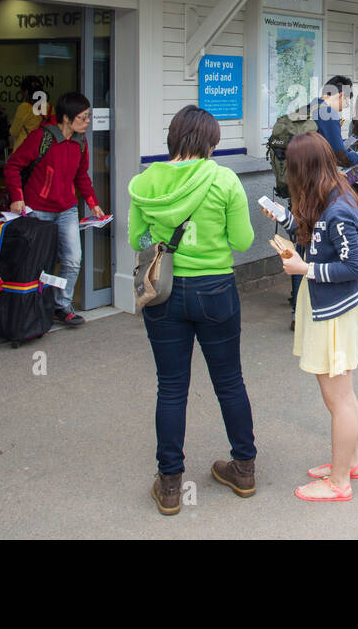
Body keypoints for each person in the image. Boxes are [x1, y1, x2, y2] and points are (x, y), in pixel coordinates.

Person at [128, 105, 257, 516]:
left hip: (164, 293)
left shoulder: (146, 180)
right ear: (210, 141)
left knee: (171, 387)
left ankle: (169, 485)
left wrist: (162, 234)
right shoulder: (223, 179)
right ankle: (243, 468)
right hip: (215, 290)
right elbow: (242, 239)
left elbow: (136, 236)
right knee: (230, 382)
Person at [265, 131, 358, 503]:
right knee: (340, 396)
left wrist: (305, 270)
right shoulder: (330, 197)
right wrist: (288, 220)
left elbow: (353, 266)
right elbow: (318, 240)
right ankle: (348, 461)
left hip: (334, 314)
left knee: (339, 399)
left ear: (302, 169)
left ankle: (340, 482)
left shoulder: (337, 209)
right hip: (331, 309)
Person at [4, 91, 105, 327]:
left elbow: (81, 176)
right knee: (38, 261)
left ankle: (62, 305)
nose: (87, 122)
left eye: (88, 116)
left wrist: (93, 203)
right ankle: (33, 305)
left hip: (67, 209)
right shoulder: (43, 137)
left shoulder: (81, 142)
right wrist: (17, 197)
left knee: (72, 260)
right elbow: (13, 166)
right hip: (37, 209)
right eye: (83, 117)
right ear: (66, 119)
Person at [282, 76, 358, 310]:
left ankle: (296, 300)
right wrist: (357, 157)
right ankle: (303, 304)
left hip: (296, 182)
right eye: (346, 101)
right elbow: (339, 153)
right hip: (318, 189)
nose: (344, 106)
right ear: (341, 95)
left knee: (301, 238)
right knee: (311, 242)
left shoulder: (306, 108)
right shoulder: (328, 113)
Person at [8, 75, 47, 153]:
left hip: (24, 152)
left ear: (26, 92)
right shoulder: (49, 108)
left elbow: (13, 132)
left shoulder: (24, 107)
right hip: (43, 151)